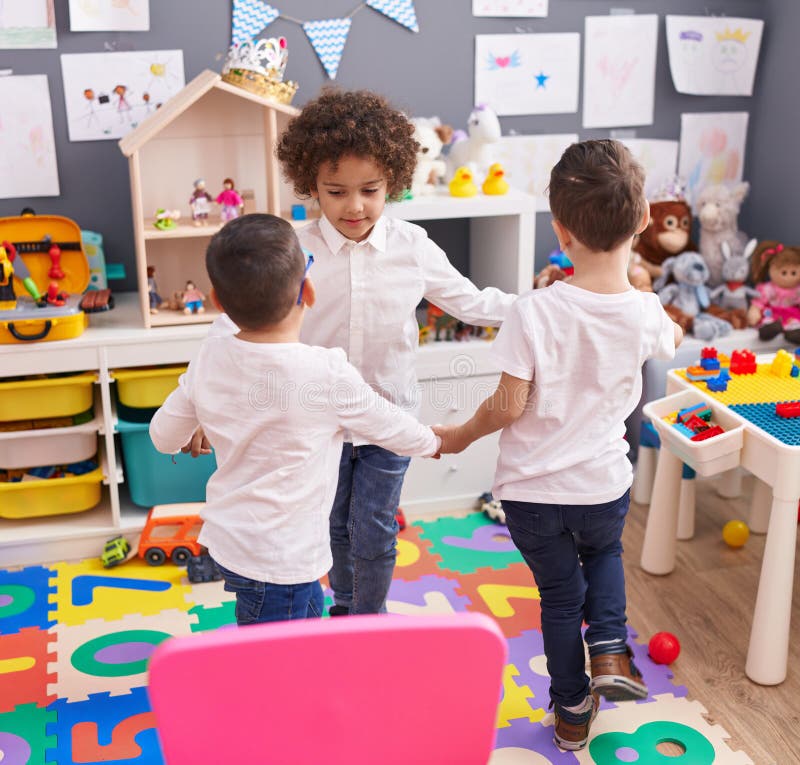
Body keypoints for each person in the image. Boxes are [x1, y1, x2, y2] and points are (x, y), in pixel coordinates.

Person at [434, 139, 683, 751]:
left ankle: (572, 710)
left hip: (532, 495)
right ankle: (610, 650)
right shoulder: (646, 311)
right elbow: (670, 340)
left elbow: (508, 405)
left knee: (558, 597)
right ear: (646, 218)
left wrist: (461, 436)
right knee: (603, 559)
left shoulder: (533, 311)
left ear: (560, 229)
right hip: (602, 484)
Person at [274, 88, 516, 616]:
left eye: (370, 190)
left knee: (376, 527)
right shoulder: (294, 249)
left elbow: (472, 302)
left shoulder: (412, 246)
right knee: (333, 523)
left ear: (394, 182)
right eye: (336, 192)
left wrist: (539, 308)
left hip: (390, 417)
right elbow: (254, 326)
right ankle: (346, 609)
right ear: (310, 185)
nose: (354, 206)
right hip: (320, 421)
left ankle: (369, 618)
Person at [150, 214, 440, 625]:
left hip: (232, 544)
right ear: (308, 290)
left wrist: (201, 419)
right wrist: (438, 440)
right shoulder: (324, 371)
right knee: (276, 661)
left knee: (295, 628)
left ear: (216, 300)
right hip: (284, 559)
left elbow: (163, 436)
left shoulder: (210, 354)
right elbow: (389, 424)